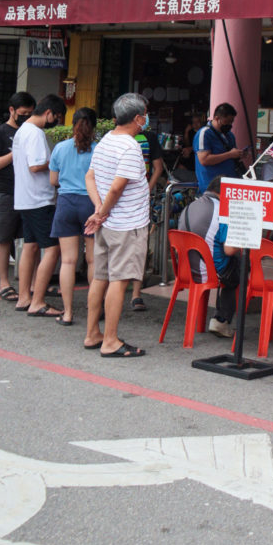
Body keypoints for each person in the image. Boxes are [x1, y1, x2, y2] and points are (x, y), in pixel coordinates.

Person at [83, 92, 151, 358]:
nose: (146, 119)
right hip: (126, 224)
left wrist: (99, 210)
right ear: (137, 118)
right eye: (145, 114)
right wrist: (103, 211)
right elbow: (117, 188)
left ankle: (92, 333)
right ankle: (110, 340)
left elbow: (90, 177)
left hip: (107, 224)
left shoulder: (105, 142)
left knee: (100, 277)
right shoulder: (130, 147)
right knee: (119, 281)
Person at [12, 94, 66, 318]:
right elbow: (36, 166)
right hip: (39, 199)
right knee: (52, 249)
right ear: (48, 113)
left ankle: (24, 297)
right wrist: (55, 162)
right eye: (57, 117)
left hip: (25, 197)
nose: (56, 121)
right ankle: (38, 302)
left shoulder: (22, 130)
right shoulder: (35, 133)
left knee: (30, 246)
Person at [0, 91, 35, 301]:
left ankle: (30, 284)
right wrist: (16, 152)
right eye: (23, 113)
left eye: (30, 113)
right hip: (6, 191)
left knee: (30, 239)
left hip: (28, 192)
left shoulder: (32, 132)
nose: (26, 117)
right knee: (3, 238)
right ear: (12, 111)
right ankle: (4, 283)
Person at [48, 107, 97, 327]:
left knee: (67, 261)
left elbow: (53, 181)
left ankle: (67, 313)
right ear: (94, 127)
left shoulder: (60, 148)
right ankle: (94, 311)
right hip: (90, 204)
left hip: (66, 204)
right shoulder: (99, 149)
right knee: (93, 260)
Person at [178, 176, 240, 338]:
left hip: (185, 271)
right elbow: (230, 250)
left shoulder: (190, 206)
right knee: (240, 264)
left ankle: (213, 319)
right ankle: (221, 319)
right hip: (209, 271)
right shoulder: (222, 211)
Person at [130, 116, 166, 312]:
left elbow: (158, 167)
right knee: (139, 246)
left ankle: (133, 293)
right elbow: (157, 168)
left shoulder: (113, 137)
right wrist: (147, 190)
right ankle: (136, 295)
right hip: (138, 200)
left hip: (125, 200)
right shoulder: (148, 137)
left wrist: (146, 190)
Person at [194, 103, 251, 193]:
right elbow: (204, 159)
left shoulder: (230, 135)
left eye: (231, 122)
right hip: (211, 186)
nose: (229, 125)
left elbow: (232, 154)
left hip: (230, 184)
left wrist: (239, 154)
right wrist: (229, 155)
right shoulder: (205, 134)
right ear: (217, 118)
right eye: (227, 122)